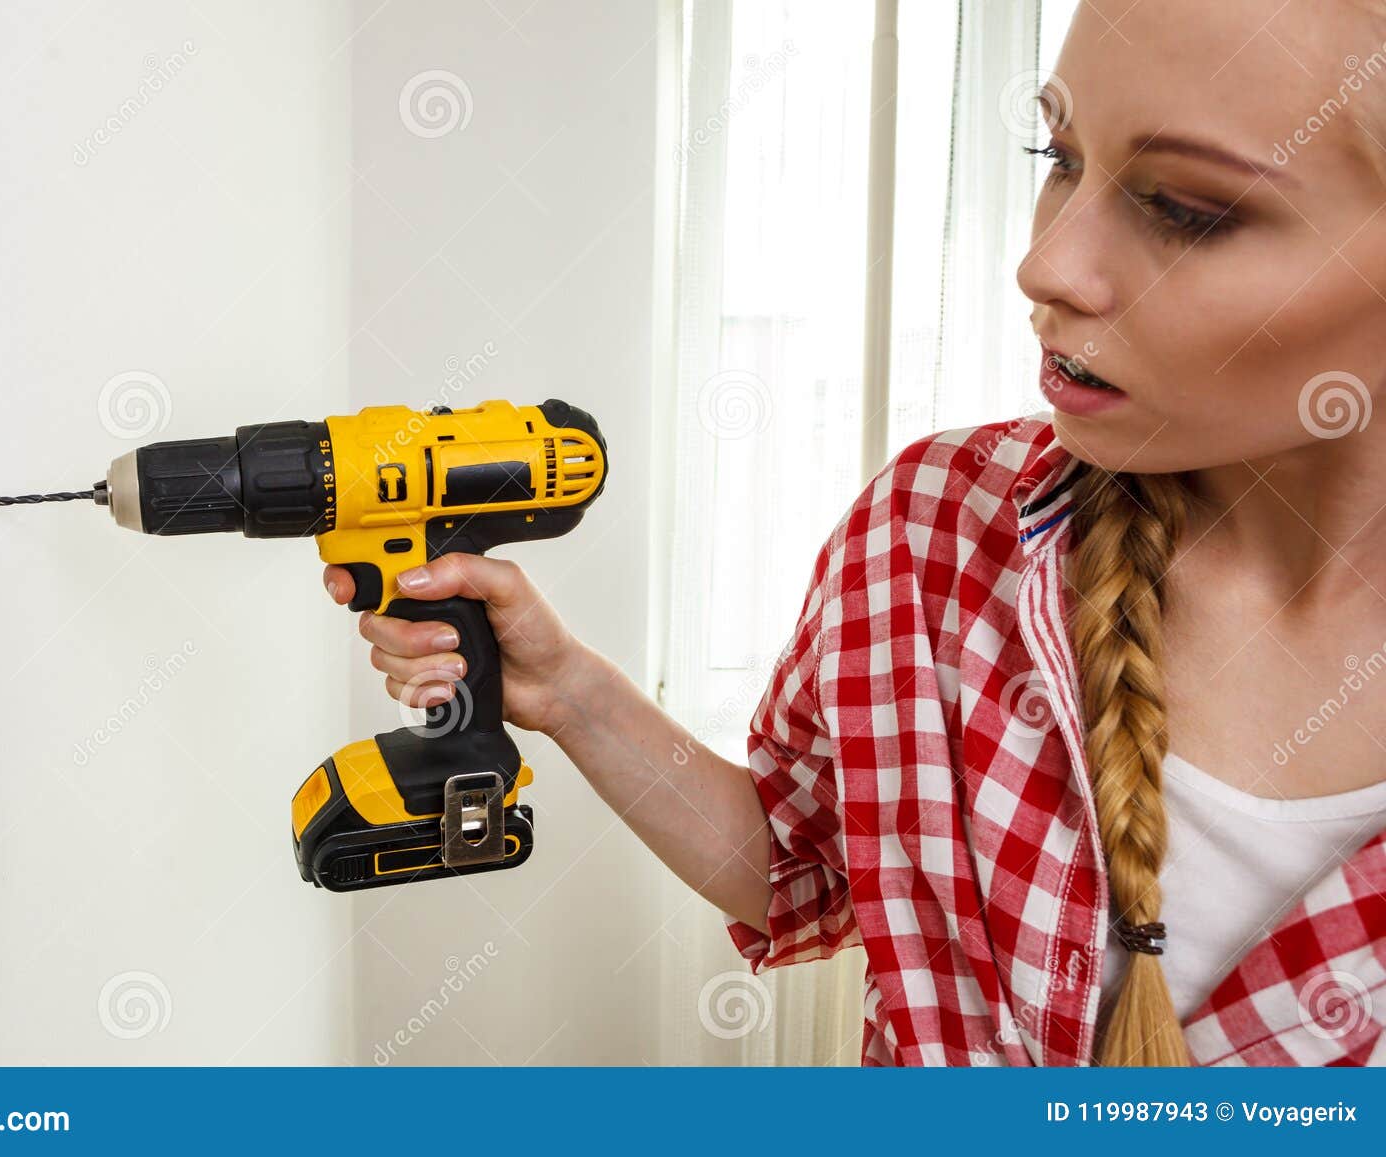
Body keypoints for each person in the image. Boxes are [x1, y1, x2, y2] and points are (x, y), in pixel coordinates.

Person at [325, 0, 1386, 1066]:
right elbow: (801, 867)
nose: (1047, 265)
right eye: (1053, 154)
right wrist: (567, 689)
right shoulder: (933, 528)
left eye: (1185, 209)